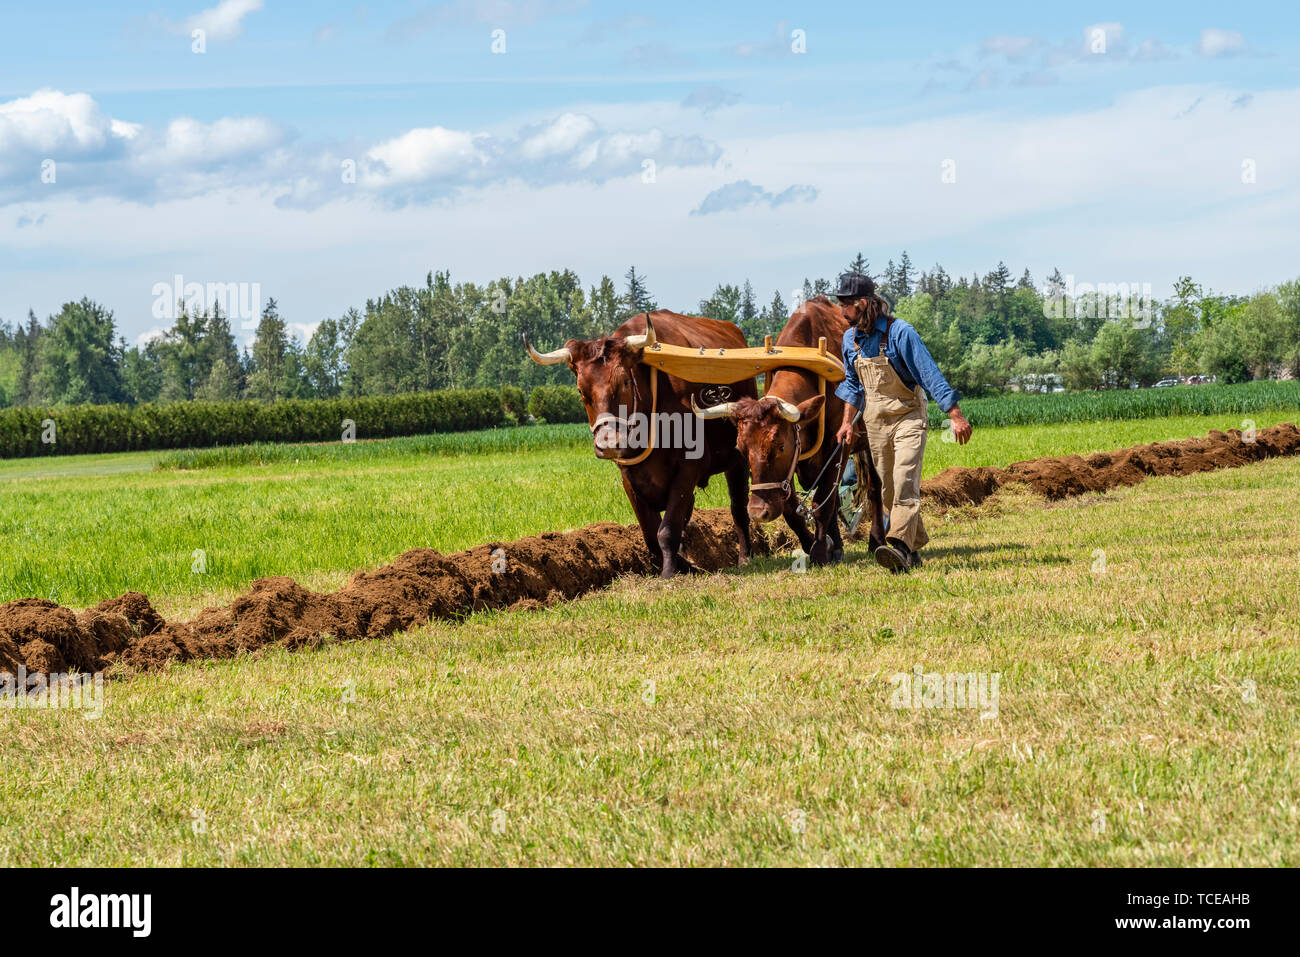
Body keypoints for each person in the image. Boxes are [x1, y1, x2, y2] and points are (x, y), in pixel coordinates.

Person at [832, 272, 972, 572]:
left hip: (908, 418)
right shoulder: (850, 340)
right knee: (889, 492)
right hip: (875, 423)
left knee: (905, 480)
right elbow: (853, 386)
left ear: (864, 303)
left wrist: (955, 415)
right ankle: (914, 547)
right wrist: (846, 423)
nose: (841, 311)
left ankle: (899, 549)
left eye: (845, 304)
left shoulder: (901, 333)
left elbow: (929, 374)